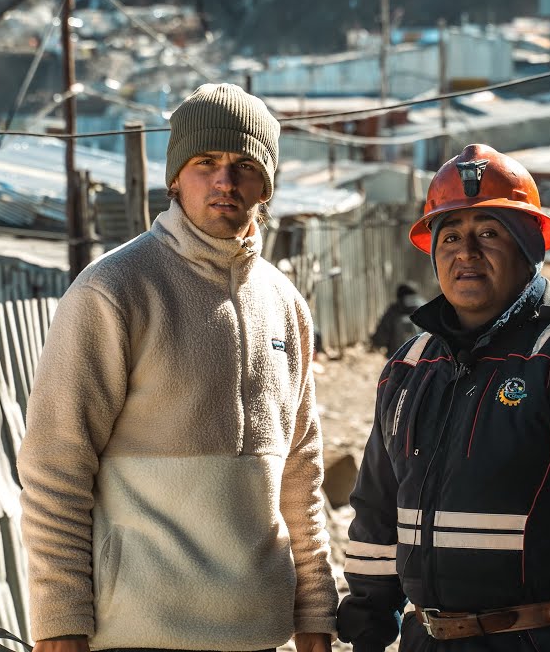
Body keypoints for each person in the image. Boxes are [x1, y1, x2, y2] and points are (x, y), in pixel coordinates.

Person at [17, 83, 337, 652]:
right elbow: (55, 465)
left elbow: (301, 473)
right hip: (138, 633)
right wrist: (60, 621)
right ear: (174, 178)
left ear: (266, 185)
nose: (225, 181)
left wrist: (316, 609)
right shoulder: (114, 290)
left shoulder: (285, 304)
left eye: (245, 165)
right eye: (205, 162)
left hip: (261, 635)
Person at [337, 144, 550, 652]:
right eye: (450, 236)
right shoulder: (409, 367)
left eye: (489, 233)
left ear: (529, 246)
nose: (465, 252)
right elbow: (377, 515)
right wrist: (365, 626)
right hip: (425, 641)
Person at [370, 282, 426, 358]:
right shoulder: (426, 307)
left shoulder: (394, 309)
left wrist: (375, 342)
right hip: (424, 358)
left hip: (397, 358)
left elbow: (380, 338)